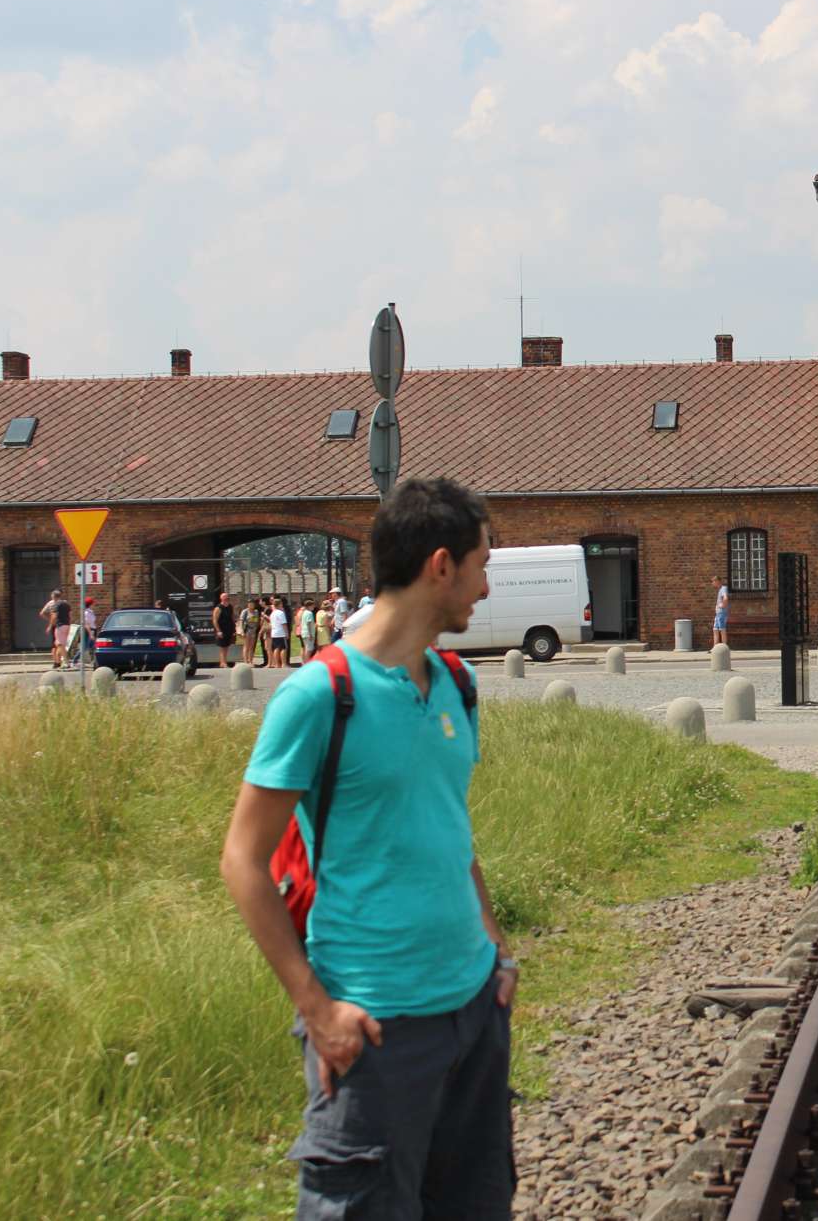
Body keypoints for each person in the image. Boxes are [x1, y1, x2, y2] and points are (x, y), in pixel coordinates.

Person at [219, 477, 514, 1218]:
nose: (486, 585)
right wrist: (315, 1008)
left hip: (474, 1016)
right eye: (482, 563)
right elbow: (242, 861)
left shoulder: (460, 683)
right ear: (440, 565)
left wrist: (494, 948)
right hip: (375, 1030)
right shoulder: (319, 694)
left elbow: (448, 827)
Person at [42, 588, 71, 667]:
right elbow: (69, 615)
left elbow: (54, 616)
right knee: (59, 643)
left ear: (54, 596)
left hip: (59, 626)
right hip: (67, 625)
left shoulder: (55, 604)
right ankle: (58, 661)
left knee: (60, 645)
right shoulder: (66, 603)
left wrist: (50, 625)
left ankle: (65, 662)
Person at [213, 592, 237, 668]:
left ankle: (224, 661)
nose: (227, 599)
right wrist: (218, 631)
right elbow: (214, 620)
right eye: (225, 598)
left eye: (228, 598)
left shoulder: (230, 607)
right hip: (221, 629)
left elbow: (232, 617)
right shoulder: (218, 608)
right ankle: (222, 663)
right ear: (222, 599)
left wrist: (234, 628)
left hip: (229, 629)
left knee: (226, 646)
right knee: (222, 647)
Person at [240, 598, 263, 668]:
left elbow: (258, 621)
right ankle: (245, 661)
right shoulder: (245, 611)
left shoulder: (256, 612)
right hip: (247, 630)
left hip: (254, 630)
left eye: (252, 604)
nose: (251, 605)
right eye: (250, 604)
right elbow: (241, 621)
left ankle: (250, 661)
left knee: (252, 646)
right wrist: (241, 630)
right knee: (246, 646)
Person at [269, 597, 290, 669]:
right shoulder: (281, 613)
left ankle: (277, 664)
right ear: (280, 604)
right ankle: (283, 664)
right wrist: (287, 633)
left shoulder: (272, 613)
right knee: (283, 648)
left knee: (276, 648)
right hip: (281, 632)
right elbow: (284, 624)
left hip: (274, 632)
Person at [711, 575, 729, 648]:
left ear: (717, 581)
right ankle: (715, 647)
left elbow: (725, 598)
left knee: (722, 629)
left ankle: (724, 647)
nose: (712, 583)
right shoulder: (720, 589)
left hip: (721, 613)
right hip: (718, 613)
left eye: (713, 581)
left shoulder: (723, 588)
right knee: (715, 629)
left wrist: (722, 606)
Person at [79, 597, 99, 664]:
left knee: (93, 646)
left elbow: (93, 622)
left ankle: (94, 661)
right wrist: (90, 634)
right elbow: (86, 624)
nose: (94, 605)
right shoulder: (86, 613)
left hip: (93, 630)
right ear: (90, 604)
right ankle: (75, 661)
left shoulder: (91, 612)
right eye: (93, 603)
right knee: (85, 647)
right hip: (88, 631)